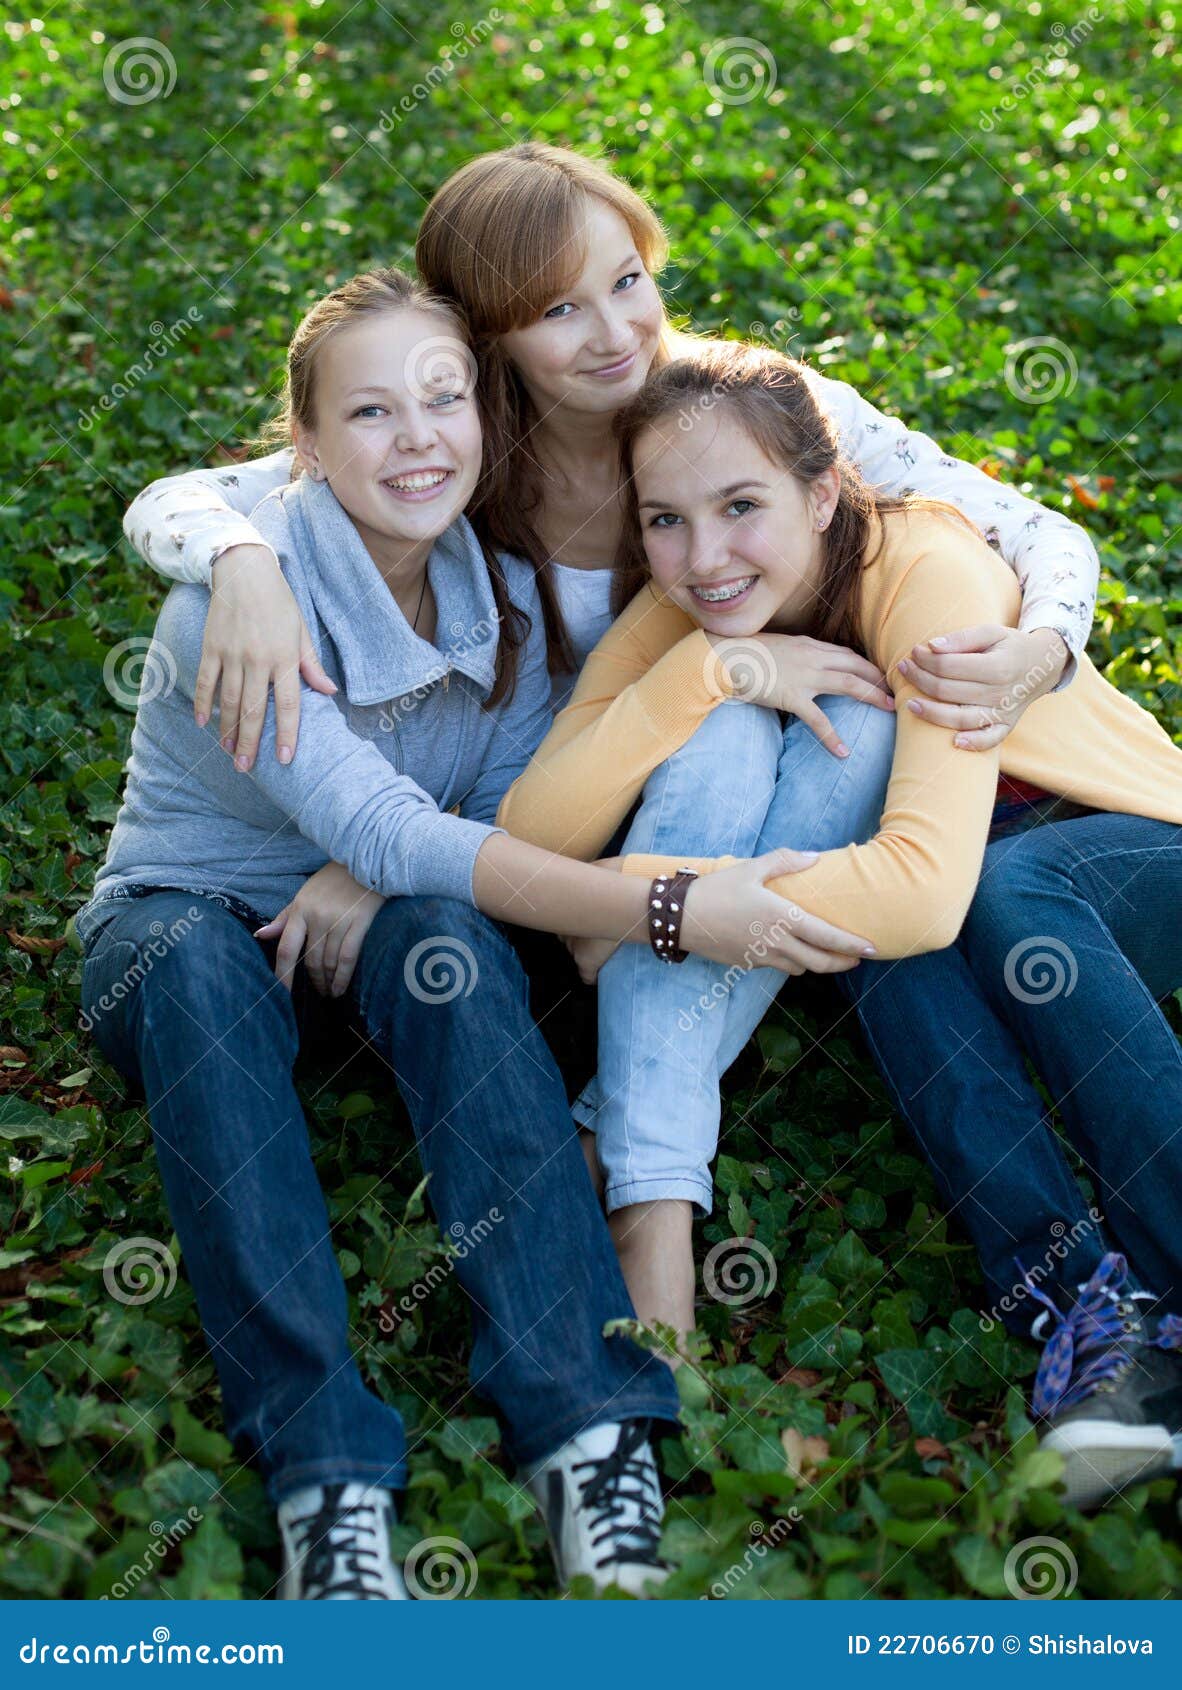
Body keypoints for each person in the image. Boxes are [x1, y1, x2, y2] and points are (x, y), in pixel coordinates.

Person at [79, 270, 854, 1600]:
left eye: (442, 398)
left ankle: (589, 1430)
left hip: (367, 925)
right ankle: (325, 1475)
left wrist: (375, 873)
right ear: (304, 441)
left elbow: (499, 805)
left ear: (485, 419)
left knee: (444, 927)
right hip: (183, 926)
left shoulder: (498, 589)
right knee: (198, 964)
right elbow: (387, 822)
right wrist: (670, 904)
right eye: (370, 411)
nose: (417, 437)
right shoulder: (235, 601)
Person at [497, 338, 1182, 1509]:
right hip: (965, 886)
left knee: (993, 894)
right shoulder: (692, 602)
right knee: (890, 959)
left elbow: (920, 888)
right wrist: (709, 676)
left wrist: (660, 905)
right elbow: (534, 824)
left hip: (1124, 844)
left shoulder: (926, 572)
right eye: (665, 521)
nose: (704, 555)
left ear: (822, 493)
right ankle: (1087, 1319)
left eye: (741, 507)